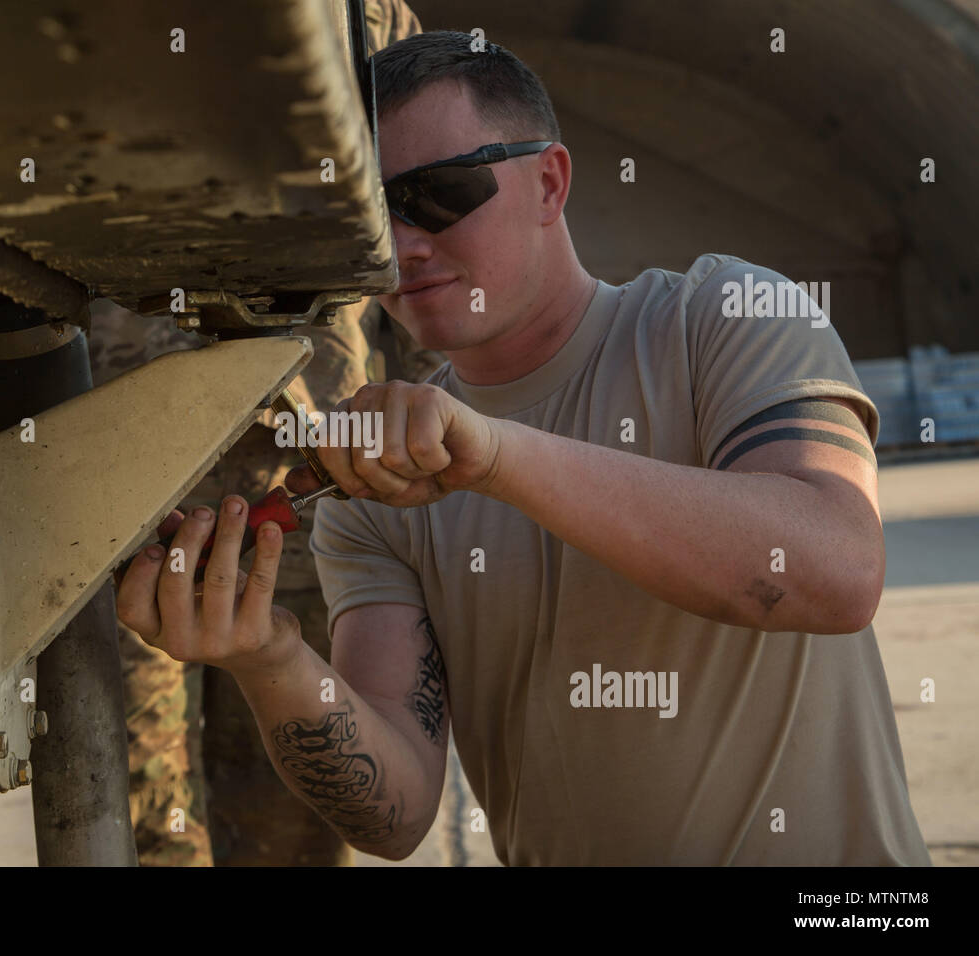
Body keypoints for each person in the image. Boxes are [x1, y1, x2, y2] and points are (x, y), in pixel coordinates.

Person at [115, 30, 933, 865]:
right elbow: (393, 814)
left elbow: (835, 571)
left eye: (439, 194)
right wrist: (272, 660)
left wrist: (499, 458)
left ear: (549, 181)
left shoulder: (727, 319)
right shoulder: (377, 485)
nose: (402, 246)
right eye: (368, 216)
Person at [93, 0, 441, 866]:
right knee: (133, 815)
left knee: (299, 798)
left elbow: (416, 219)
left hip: (313, 486)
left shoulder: (364, 15)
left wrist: (437, 428)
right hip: (121, 484)